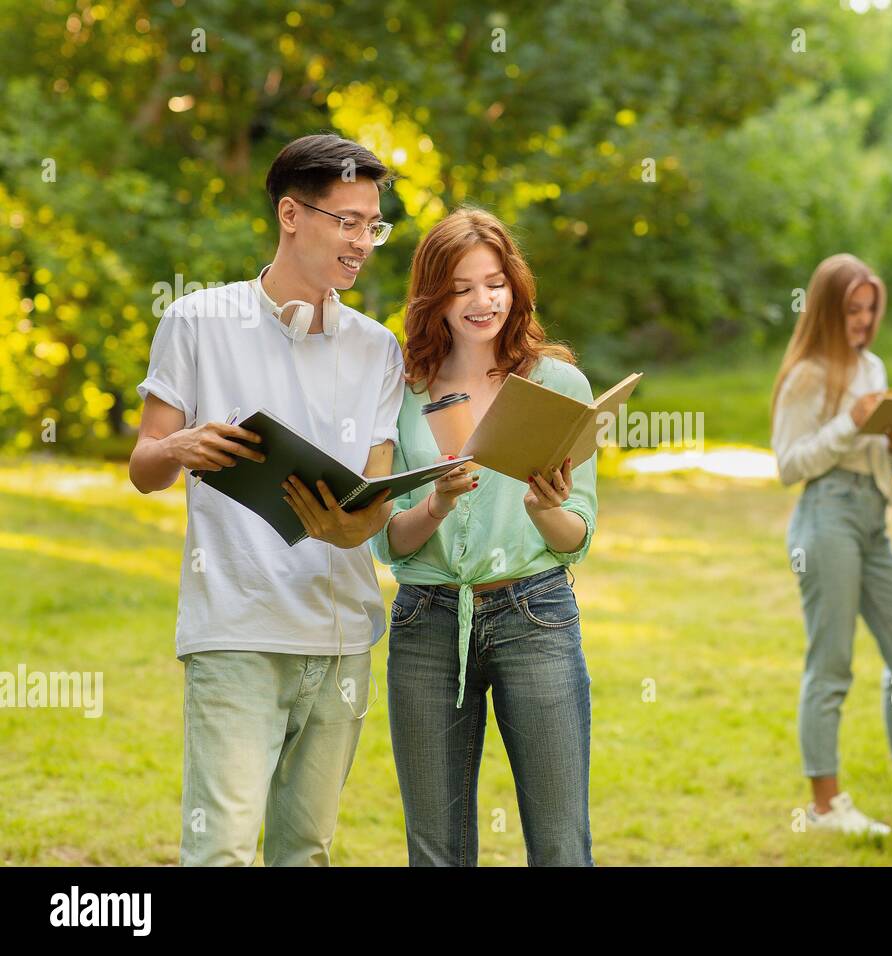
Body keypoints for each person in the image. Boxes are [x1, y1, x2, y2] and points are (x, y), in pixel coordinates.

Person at [128, 134, 403, 865]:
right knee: (220, 850)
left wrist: (355, 527)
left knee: (304, 851)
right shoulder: (196, 321)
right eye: (347, 220)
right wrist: (180, 448)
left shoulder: (380, 348)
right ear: (291, 214)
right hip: (238, 630)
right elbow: (143, 466)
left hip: (343, 641)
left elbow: (374, 496)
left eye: (372, 225)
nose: (363, 242)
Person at [370, 207, 598, 866]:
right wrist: (437, 503)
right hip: (429, 624)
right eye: (462, 287)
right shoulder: (403, 390)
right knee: (435, 850)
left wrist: (542, 506)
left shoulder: (556, 383)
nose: (482, 301)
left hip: (537, 616)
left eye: (495, 282)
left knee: (560, 844)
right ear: (434, 297)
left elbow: (576, 533)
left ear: (514, 286)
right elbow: (389, 541)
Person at [772, 253, 892, 838]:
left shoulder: (875, 366)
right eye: (851, 310)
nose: (862, 320)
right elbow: (789, 465)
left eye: (870, 309)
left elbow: (880, 458)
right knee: (831, 663)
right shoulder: (808, 372)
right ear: (828, 310)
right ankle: (826, 805)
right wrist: (850, 425)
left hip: (871, 519)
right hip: (826, 516)